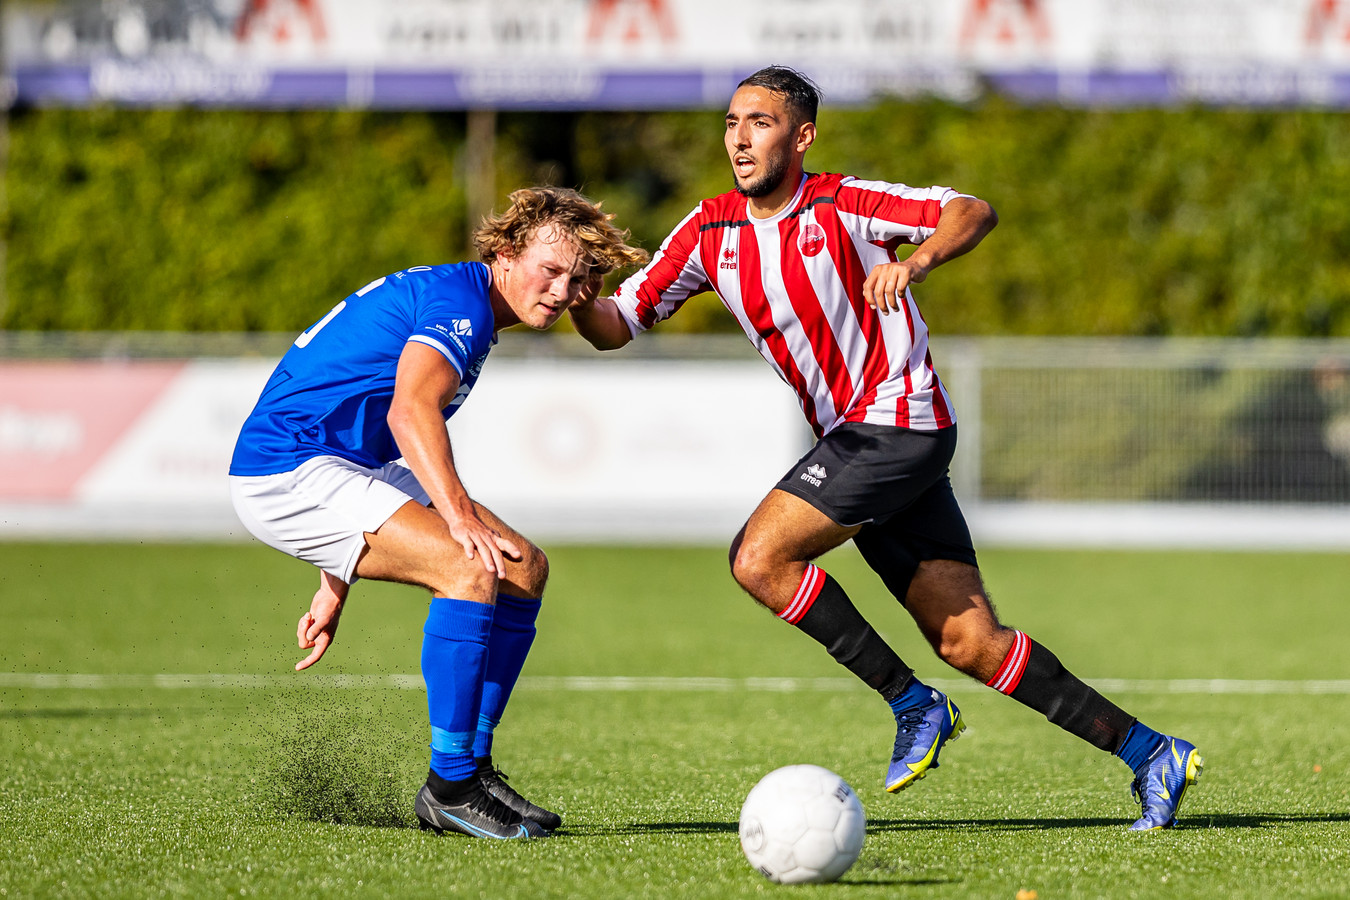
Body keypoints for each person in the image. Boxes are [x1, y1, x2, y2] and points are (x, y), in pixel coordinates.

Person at [569, 66, 1203, 831]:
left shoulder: (845, 204)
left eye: (760, 122)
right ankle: (1150, 753)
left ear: (801, 136)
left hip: (898, 423)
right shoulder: (708, 232)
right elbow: (614, 326)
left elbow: (972, 209)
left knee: (759, 559)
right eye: (732, 122)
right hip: (861, 442)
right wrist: (575, 282)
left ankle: (913, 705)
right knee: (970, 641)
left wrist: (919, 259)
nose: (739, 138)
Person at [229, 187, 649, 839]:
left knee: (521, 567)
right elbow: (409, 413)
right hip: (286, 467)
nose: (563, 291)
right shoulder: (461, 307)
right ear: (506, 254)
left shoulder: (465, 299)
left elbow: (375, 433)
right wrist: (458, 519)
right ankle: (450, 787)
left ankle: (471, 771)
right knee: (468, 566)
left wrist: (333, 575)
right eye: (550, 270)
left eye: (577, 279)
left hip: (334, 463)